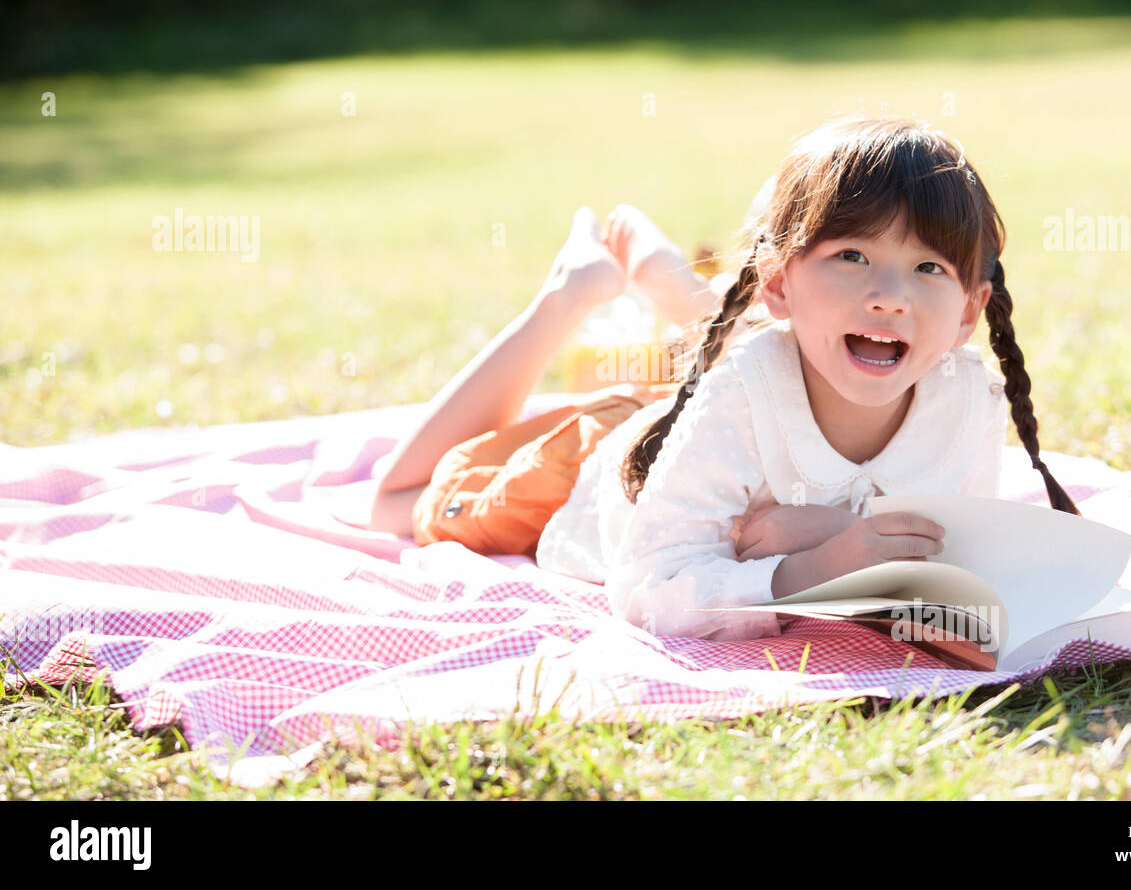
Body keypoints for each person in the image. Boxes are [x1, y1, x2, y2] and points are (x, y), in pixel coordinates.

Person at [371, 113, 1079, 642]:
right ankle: (572, 291)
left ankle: (675, 286)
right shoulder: (738, 395)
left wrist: (820, 530)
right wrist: (814, 564)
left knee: (781, 352)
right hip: (611, 466)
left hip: (739, 396)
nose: (892, 294)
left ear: (968, 312)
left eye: (929, 268)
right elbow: (650, 584)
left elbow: (948, 563)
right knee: (399, 506)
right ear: (774, 280)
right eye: (854, 255)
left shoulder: (965, 399)